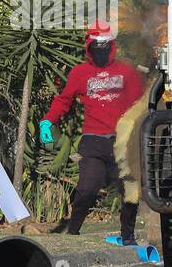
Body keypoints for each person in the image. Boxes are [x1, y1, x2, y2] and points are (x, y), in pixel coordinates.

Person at [40, 21, 146, 243]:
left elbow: (140, 104)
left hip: (123, 143)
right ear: (88, 46)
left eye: (105, 46)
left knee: (130, 192)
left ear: (112, 46)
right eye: (96, 46)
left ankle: (128, 237)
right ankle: (73, 232)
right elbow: (64, 100)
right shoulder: (80, 72)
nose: (101, 51)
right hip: (93, 142)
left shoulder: (126, 71)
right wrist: (48, 122)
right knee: (87, 189)